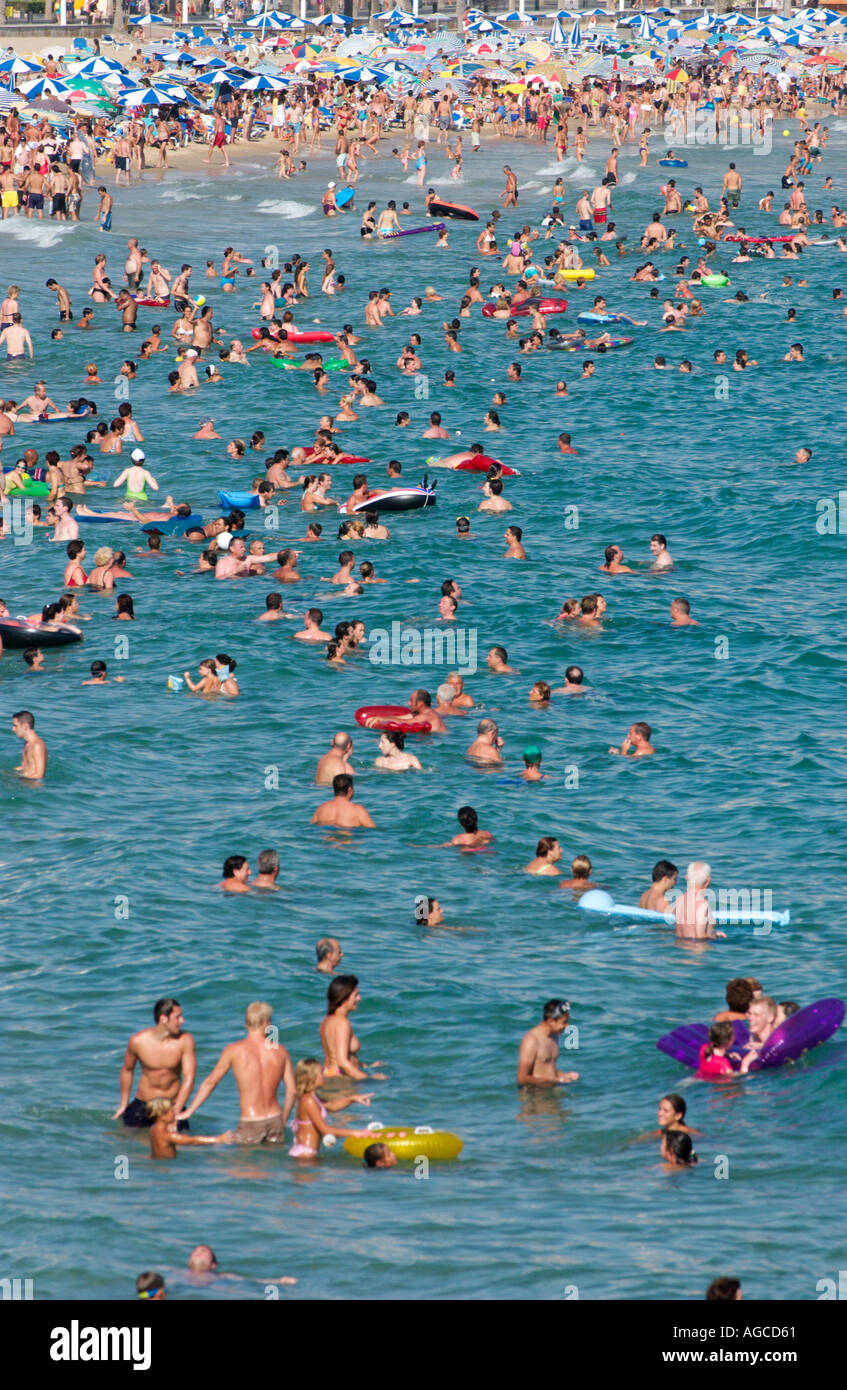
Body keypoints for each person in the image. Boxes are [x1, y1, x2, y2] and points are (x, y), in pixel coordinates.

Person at [178, 1001, 296, 1144]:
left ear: (247, 1022)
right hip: (275, 1119)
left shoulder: (234, 1050)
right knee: (271, 1165)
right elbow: (292, 1091)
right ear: (266, 1023)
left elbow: (211, 1082)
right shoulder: (281, 1051)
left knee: (244, 1165)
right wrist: (283, 1119)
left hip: (251, 1122)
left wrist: (189, 1111)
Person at [113, 997, 196, 1127]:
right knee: (127, 1141)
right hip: (144, 1104)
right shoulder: (138, 1041)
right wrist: (124, 1104)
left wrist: (176, 1111)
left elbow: (189, 1079)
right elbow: (127, 1071)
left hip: (172, 1105)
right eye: (177, 1017)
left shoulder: (185, 1041)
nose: (182, 1021)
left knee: (182, 1144)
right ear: (163, 1019)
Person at [288, 1058, 372, 1158]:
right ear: (312, 1077)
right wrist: (356, 1133)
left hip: (307, 1153)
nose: (324, 1075)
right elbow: (325, 1130)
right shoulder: (308, 1100)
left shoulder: (313, 1098)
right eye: (321, 1073)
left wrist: (353, 1099)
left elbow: (331, 1106)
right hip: (305, 1155)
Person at [320, 974, 387, 1080]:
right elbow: (342, 1062)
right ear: (344, 998)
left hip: (329, 1073)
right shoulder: (342, 1023)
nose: (359, 998)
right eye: (356, 995)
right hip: (340, 1078)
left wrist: (366, 1067)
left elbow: (336, 1056)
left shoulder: (326, 1020)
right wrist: (369, 1078)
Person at [517, 1000, 579, 1086]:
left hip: (550, 1089)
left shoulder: (554, 1035)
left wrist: (564, 1075)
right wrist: (556, 1081)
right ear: (550, 1021)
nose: (567, 1026)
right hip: (534, 1094)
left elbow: (547, 1067)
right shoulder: (532, 1040)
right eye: (564, 1022)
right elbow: (522, 1078)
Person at [146, 1097, 230, 1158]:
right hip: (166, 1165)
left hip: (157, 1161)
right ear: (162, 1116)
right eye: (171, 1111)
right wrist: (218, 1139)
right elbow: (193, 1140)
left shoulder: (153, 1129)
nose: (174, 1113)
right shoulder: (167, 1135)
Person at [674, 861, 725, 940]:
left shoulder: (679, 899)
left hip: (680, 945)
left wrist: (714, 934)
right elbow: (699, 938)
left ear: (687, 877)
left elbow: (688, 930)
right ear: (708, 880)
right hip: (697, 948)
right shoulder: (702, 904)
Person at [11, 710, 47, 780]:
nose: (13, 729)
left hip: (33, 785)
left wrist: (20, 781)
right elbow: (25, 767)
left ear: (25, 726)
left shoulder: (38, 745)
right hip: (25, 780)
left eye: (15, 726)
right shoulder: (27, 744)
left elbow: (39, 775)